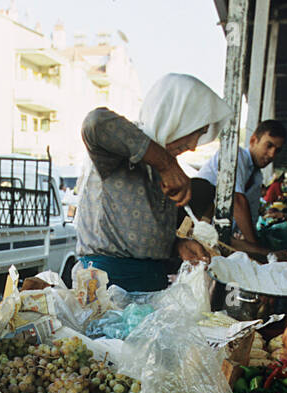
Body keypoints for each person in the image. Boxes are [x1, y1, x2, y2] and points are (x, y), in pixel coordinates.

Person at [73, 73, 229, 292]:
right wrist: (166, 164)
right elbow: (94, 123)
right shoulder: (125, 149)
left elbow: (143, 234)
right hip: (108, 282)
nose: (193, 146)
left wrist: (177, 246)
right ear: (175, 117)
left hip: (151, 282)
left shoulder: (161, 168)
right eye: (195, 132)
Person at [195, 119, 286, 250]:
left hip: (217, 239)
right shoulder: (234, 155)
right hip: (196, 231)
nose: (272, 154)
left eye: (277, 150)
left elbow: (251, 217)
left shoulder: (257, 177)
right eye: (269, 146)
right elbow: (237, 201)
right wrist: (258, 249)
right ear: (253, 140)